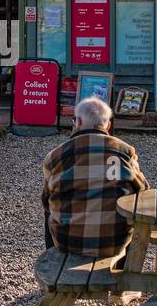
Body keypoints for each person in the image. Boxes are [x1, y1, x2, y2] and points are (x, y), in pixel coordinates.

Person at [41, 96, 150, 258]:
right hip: (115, 242)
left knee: (48, 211)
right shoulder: (125, 151)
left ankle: (53, 255)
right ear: (108, 124)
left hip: (68, 242)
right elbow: (143, 191)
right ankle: (122, 266)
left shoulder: (55, 156)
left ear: (77, 122)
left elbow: (46, 200)